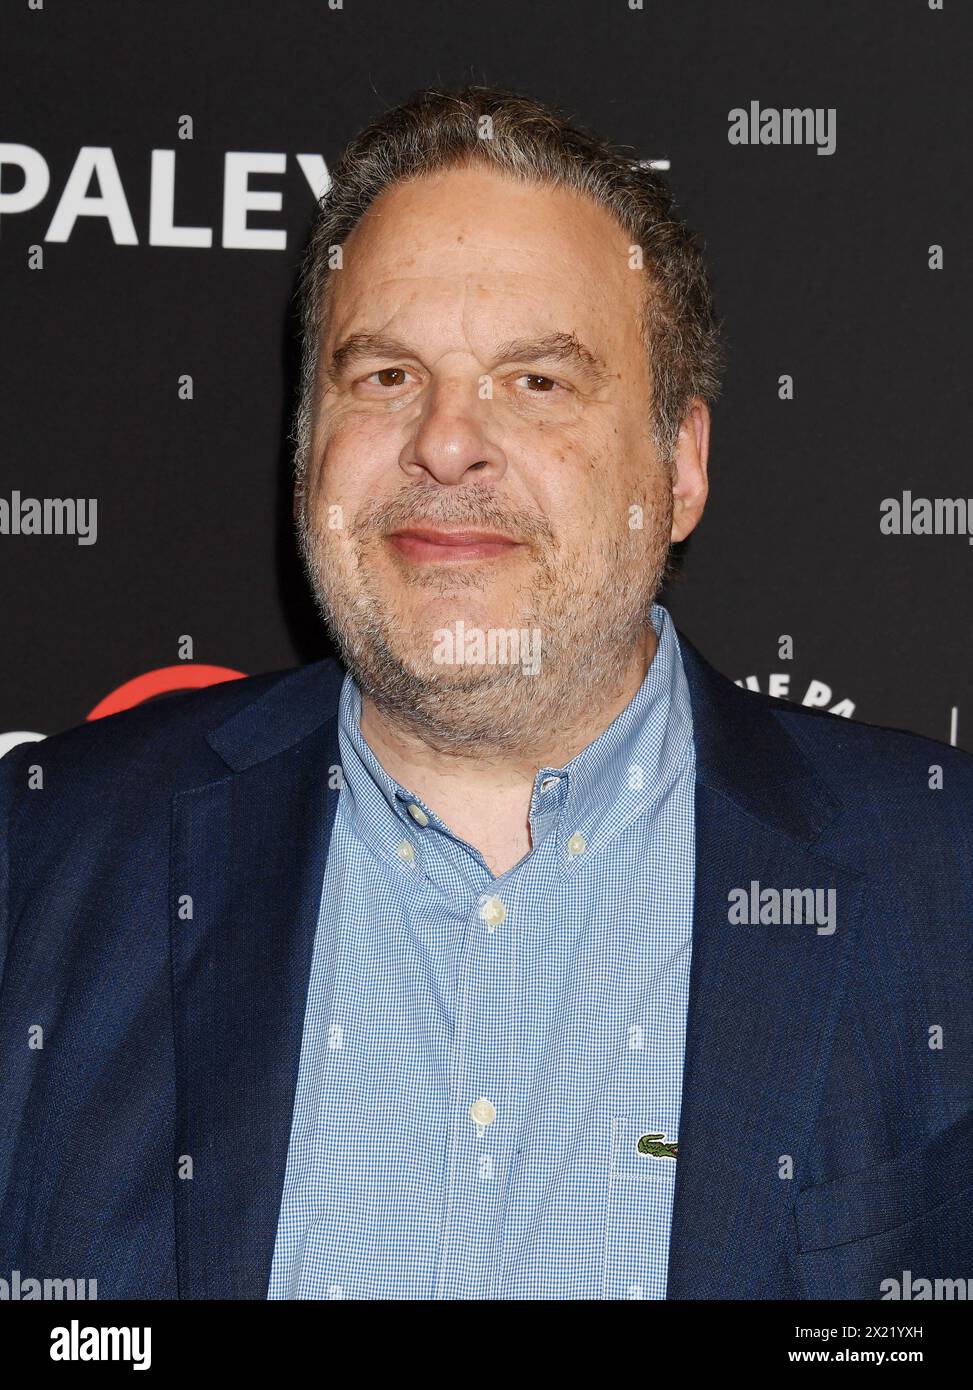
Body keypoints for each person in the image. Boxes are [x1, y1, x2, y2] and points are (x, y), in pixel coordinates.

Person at [1, 84, 970, 1301]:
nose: (446, 442)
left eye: (538, 382)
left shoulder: (945, 881)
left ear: (678, 468)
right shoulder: (42, 850)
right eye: (386, 375)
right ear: (306, 445)